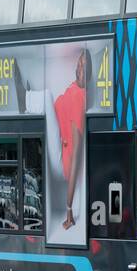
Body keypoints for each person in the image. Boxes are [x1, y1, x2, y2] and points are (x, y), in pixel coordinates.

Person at [54, 48, 90, 231]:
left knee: (45, 97)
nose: (80, 70)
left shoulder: (79, 99)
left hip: (62, 151)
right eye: (79, 64)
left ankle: (27, 99)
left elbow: (76, 154)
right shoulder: (74, 89)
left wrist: (69, 209)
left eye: (85, 67)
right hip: (56, 133)